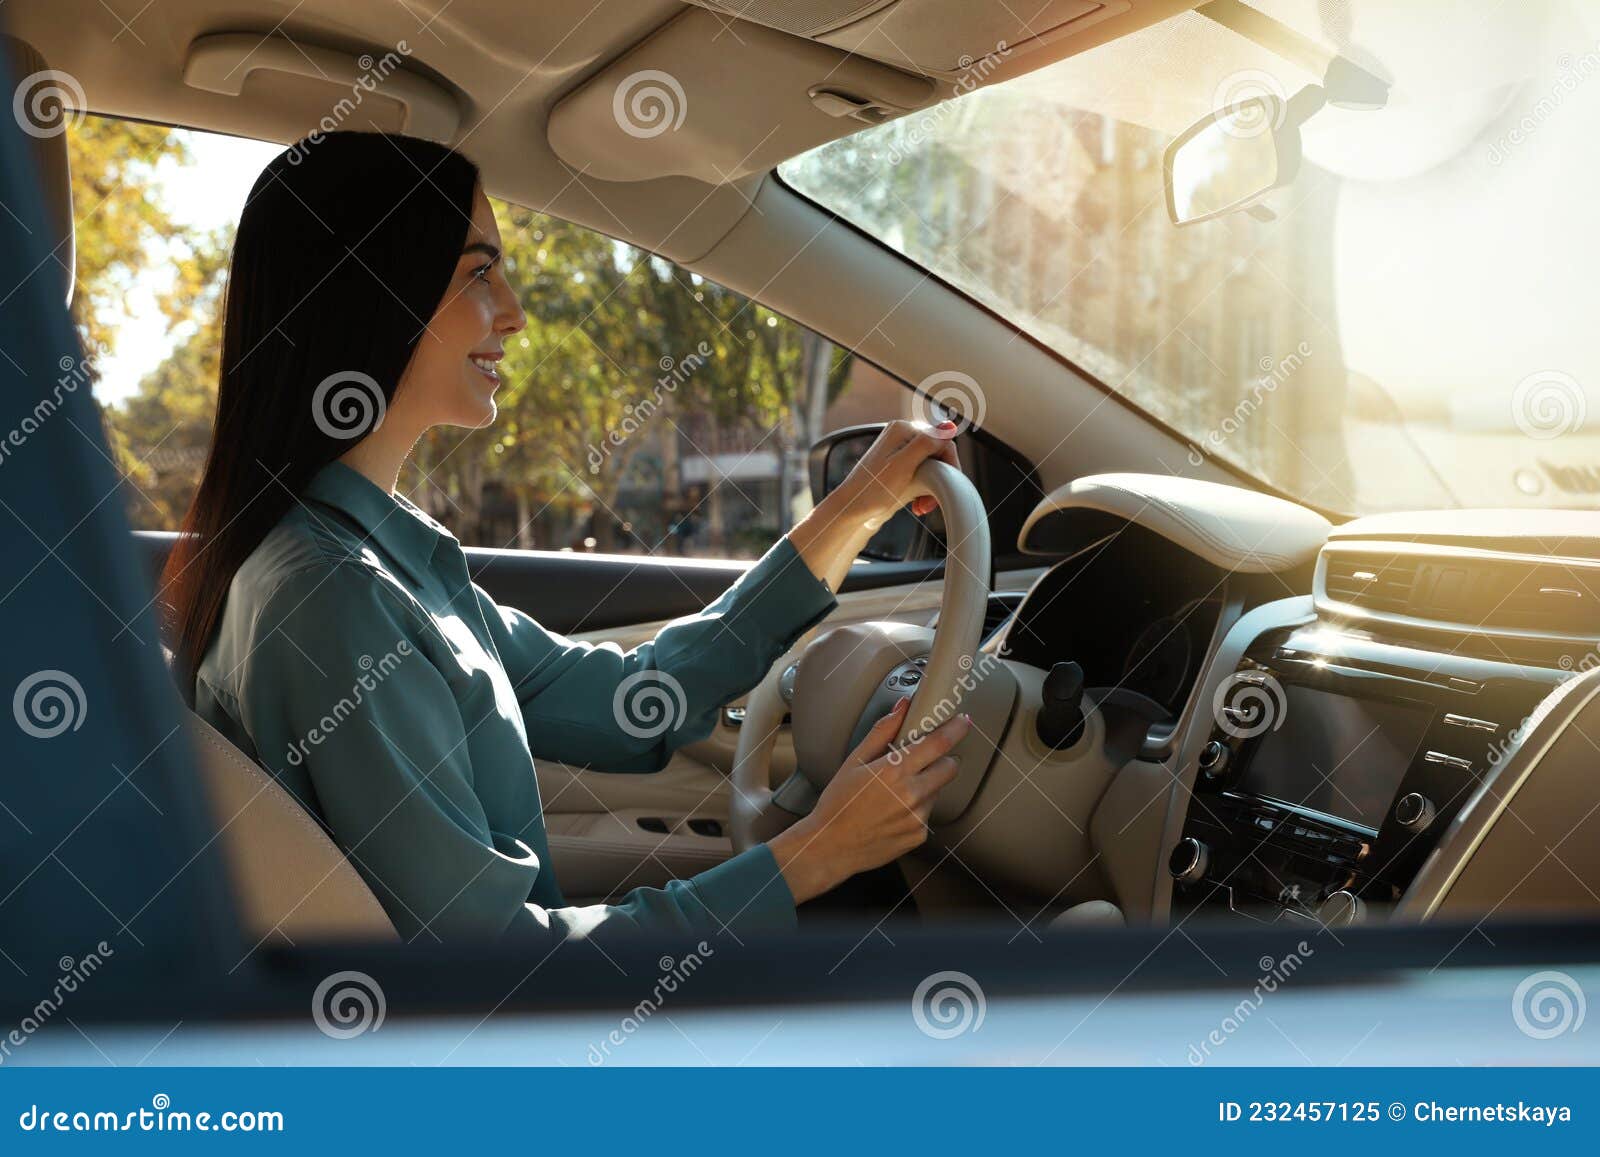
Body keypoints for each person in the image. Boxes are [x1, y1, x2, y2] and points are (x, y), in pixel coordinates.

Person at [159, 132, 970, 944]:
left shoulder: (369, 563)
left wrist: (853, 508)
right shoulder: (335, 600)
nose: (514, 311)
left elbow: (636, 701)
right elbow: (497, 975)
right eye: (479, 273)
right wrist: (815, 854)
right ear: (371, 293)